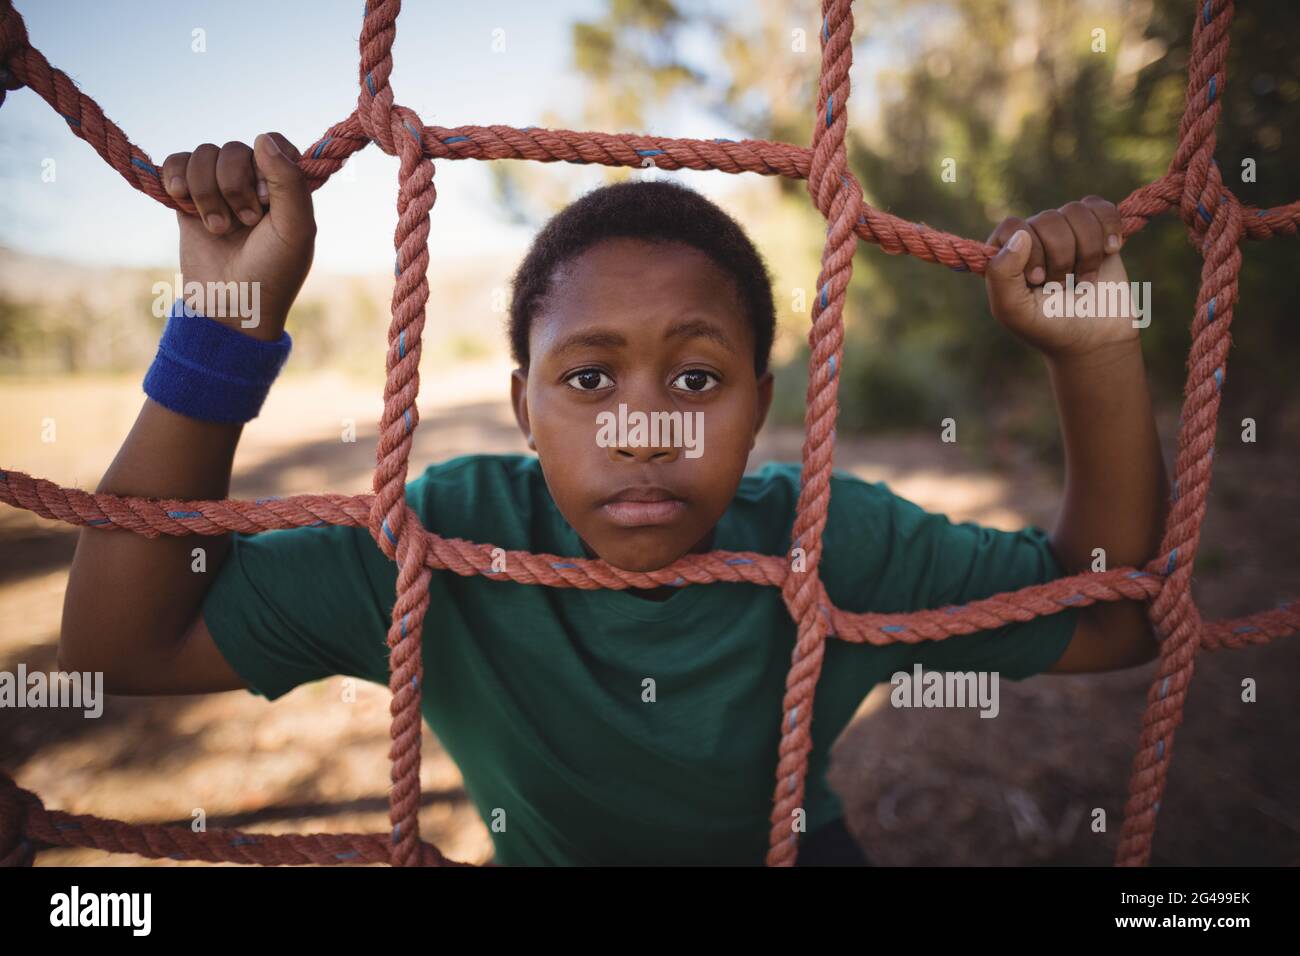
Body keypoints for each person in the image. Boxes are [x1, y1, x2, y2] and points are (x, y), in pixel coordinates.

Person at [59, 132, 1167, 866]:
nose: (644, 429)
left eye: (696, 378)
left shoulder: (829, 538)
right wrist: (220, 327)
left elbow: (1118, 615)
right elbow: (126, 645)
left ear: (763, 404)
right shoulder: (436, 544)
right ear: (523, 407)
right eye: (588, 380)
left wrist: (1095, 355)